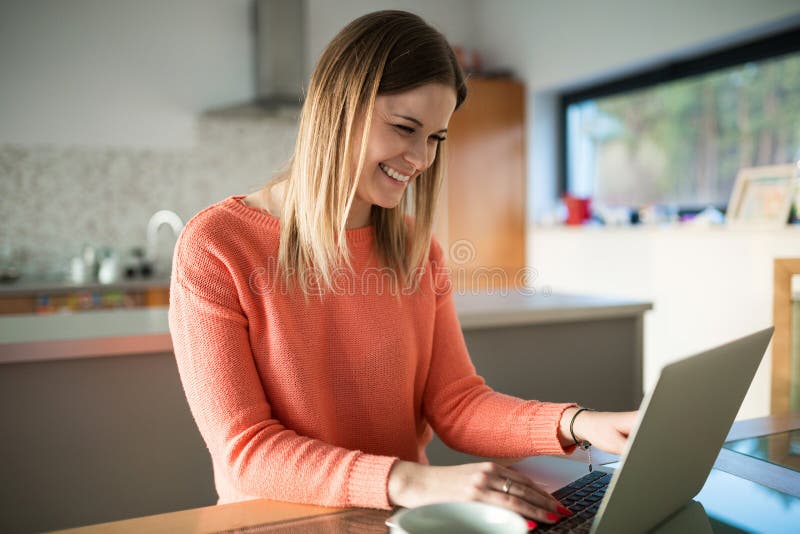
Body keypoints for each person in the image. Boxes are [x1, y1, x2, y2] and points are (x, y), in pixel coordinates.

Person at [168, 10, 636, 528]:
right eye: (405, 128)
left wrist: (580, 423)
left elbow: (456, 404)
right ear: (338, 110)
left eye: (436, 137)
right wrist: (414, 481)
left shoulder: (417, 247)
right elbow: (247, 451)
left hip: (399, 523)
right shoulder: (217, 247)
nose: (420, 157)